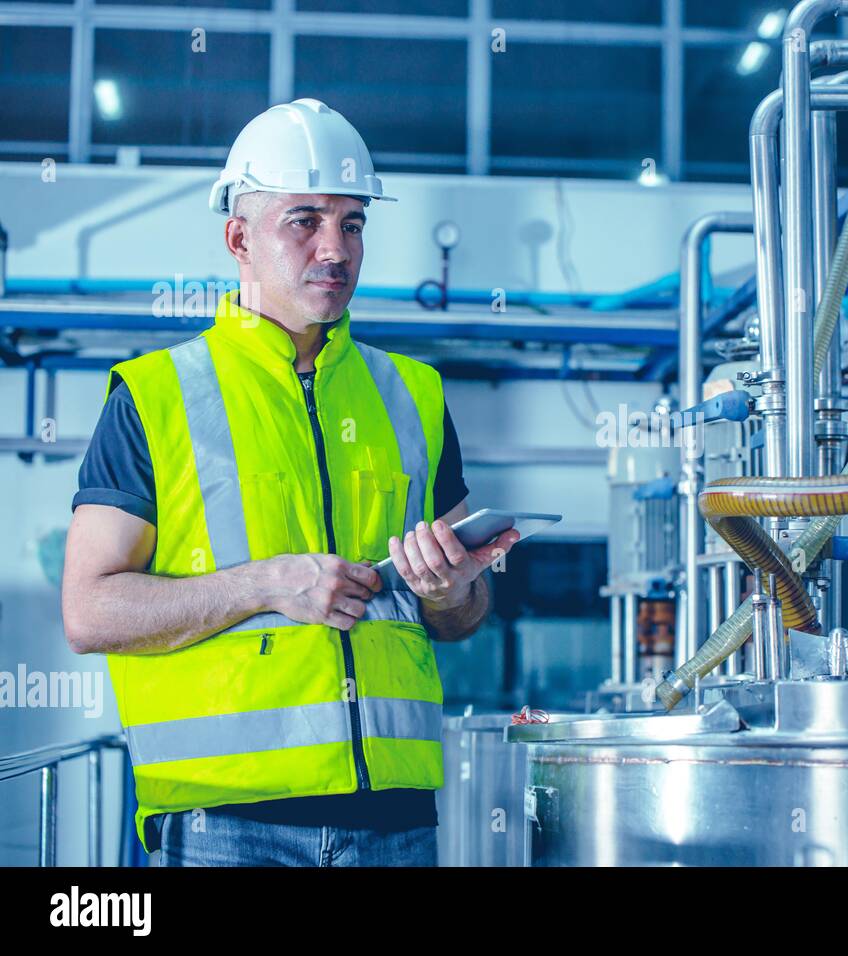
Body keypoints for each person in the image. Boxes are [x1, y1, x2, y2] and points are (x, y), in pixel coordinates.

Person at [61, 98, 517, 866]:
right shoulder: (155, 396)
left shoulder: (415, 395)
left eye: (352, 224)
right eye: (304, 221)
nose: (334, 249)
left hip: (397, 823)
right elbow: (88, 609)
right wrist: (266, 584)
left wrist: (451, 591)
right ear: (239, 237)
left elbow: (462, 614)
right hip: (227, 827)